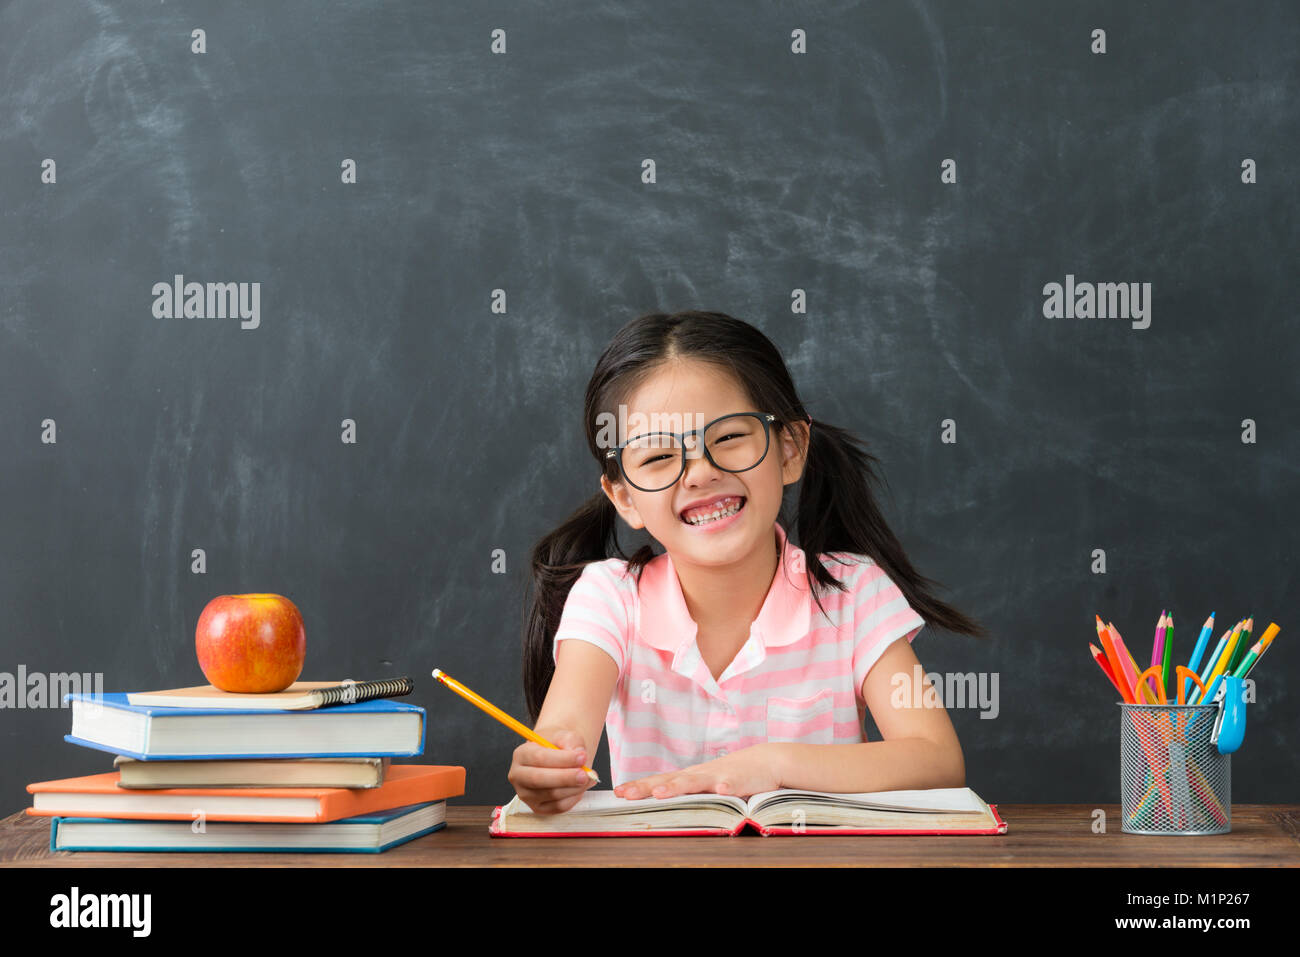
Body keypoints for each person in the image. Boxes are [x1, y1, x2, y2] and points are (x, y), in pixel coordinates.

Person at [511, 310, 986, 813]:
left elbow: (936, 759)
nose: (698, 473)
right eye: (656, 458)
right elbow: (564, 730)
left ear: (790, 449)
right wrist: (548, 766)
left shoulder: (854, 591)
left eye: (729, 438)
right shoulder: (609, 597)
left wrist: (772, 765)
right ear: (623, 497)